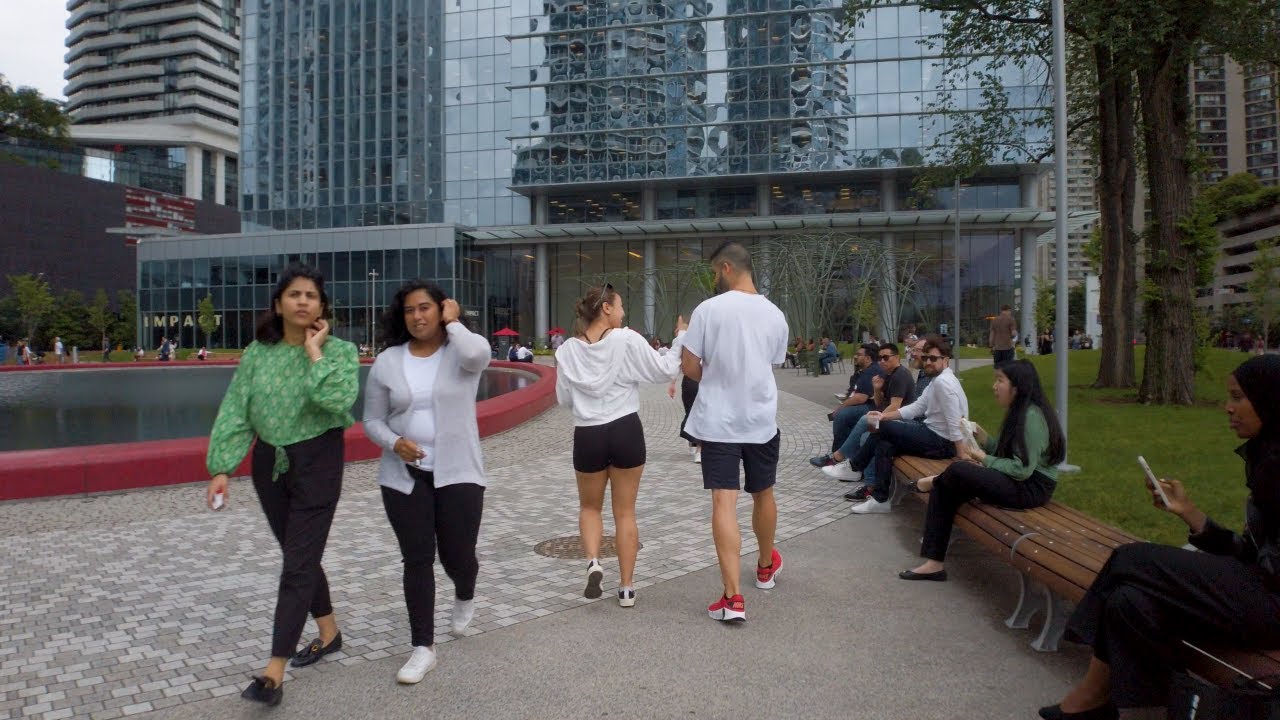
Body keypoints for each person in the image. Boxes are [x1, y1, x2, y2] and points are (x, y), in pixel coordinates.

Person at [1040, 354, 1280, 720]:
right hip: (1260, 593)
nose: (1227, 409)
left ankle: (1088, 692)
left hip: (1272, 607)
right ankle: (1147, 710)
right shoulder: (1267, 459)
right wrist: (1190, 514)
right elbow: (1251, 553)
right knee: (1128, 600)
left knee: (1130, 559)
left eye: (1237, 397)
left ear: (1268, 399)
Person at [203, 264, 359, 706]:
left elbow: (336, 399)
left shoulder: (341, 353)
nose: (303, 301)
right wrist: (222, 466)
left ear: (322, 307)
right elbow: (237, 409)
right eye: (294, 294)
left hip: (318, 461)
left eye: (312, 295)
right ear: (279, 304)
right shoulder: (257, 352)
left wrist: (315, 352)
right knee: (299, 556)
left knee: (296, 565)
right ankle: (328, 632)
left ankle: (274, 671)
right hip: (269, 462)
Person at [363, 280, 491, 684]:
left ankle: (465, 589)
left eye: (425, 308)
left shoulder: (460, 352)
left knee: (457, 557)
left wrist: (455, 323)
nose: (417, 317)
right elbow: (371, 420)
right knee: (417, 558)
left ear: (441, 310)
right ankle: (423, 647)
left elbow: (479, 353)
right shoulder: (388, 361)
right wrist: (394, 442)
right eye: (409, 311)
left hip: (459, 473)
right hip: (403, 478)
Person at [556, 283, 687, 608]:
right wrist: (681, 336)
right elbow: (665, 369)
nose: (624, 312)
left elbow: (563, 399)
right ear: (606, 309)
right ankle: (627, 588)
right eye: (621, 306)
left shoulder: (567, 351)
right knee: (625, 512)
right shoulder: (627, 339)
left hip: (588, 434)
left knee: (590, 508)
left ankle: (593, 562)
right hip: (625, 428)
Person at [681, 241, 789, 623]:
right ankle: (764, 566)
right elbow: (772, 363)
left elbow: (689, 365)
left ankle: (732, 598)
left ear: (726, 267)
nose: (714, 279)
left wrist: (712, 374)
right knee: (764, 494)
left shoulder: (708, 310)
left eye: (714, 272)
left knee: (723, 502)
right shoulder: (776, 315)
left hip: (718, 421)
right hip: (760, 419)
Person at [900, 360, 1064, 582]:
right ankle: (933, 563)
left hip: (1031, 488)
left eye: (1000, 380)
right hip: (1020, 481)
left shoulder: (1031, 417)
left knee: (958, 470)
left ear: (1017, 386)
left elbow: (1022, 469)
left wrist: (982, 457)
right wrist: (984, 439)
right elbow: (1010, 454)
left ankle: (932, 482)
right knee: (948, 486)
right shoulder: (1020, 412)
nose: (994, 386)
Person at [851, 335, 969, 514]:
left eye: (933, 358)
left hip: (943, 442)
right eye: (926, 357)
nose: (928, 362)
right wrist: (885, 417)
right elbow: (916, 408)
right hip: (934, 436)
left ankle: (854, 466)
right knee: (885, 443)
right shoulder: (937, 379)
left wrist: (961, 455)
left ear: (946, 360)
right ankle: (880, 499)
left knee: (882, 428)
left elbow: (954, 422)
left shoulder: (943, 383)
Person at [813, 342, 915, 489]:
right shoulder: (888, 374)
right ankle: (857, 473)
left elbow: (895, 406)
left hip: (900, 419)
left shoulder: (900, 375)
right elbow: (880, 402)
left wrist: (877, 419)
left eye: (886, 358)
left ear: (897, 357)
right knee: (862, 430)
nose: (882, 361)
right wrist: (877, 389)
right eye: (880, 358)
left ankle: (845, 464)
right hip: (889, 418)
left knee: (865, 428)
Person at [826, 343, 881, 452]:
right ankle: (847, 451)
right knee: (844, 415)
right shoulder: (862, 372)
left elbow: (861, 398)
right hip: (867, 405)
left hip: (873, 407)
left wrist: (841, 407)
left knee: (842, 415)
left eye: (859, 354)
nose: (855, 356)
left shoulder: (871, 371)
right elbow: (855, 392)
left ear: (868, 358)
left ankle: (837, 453)